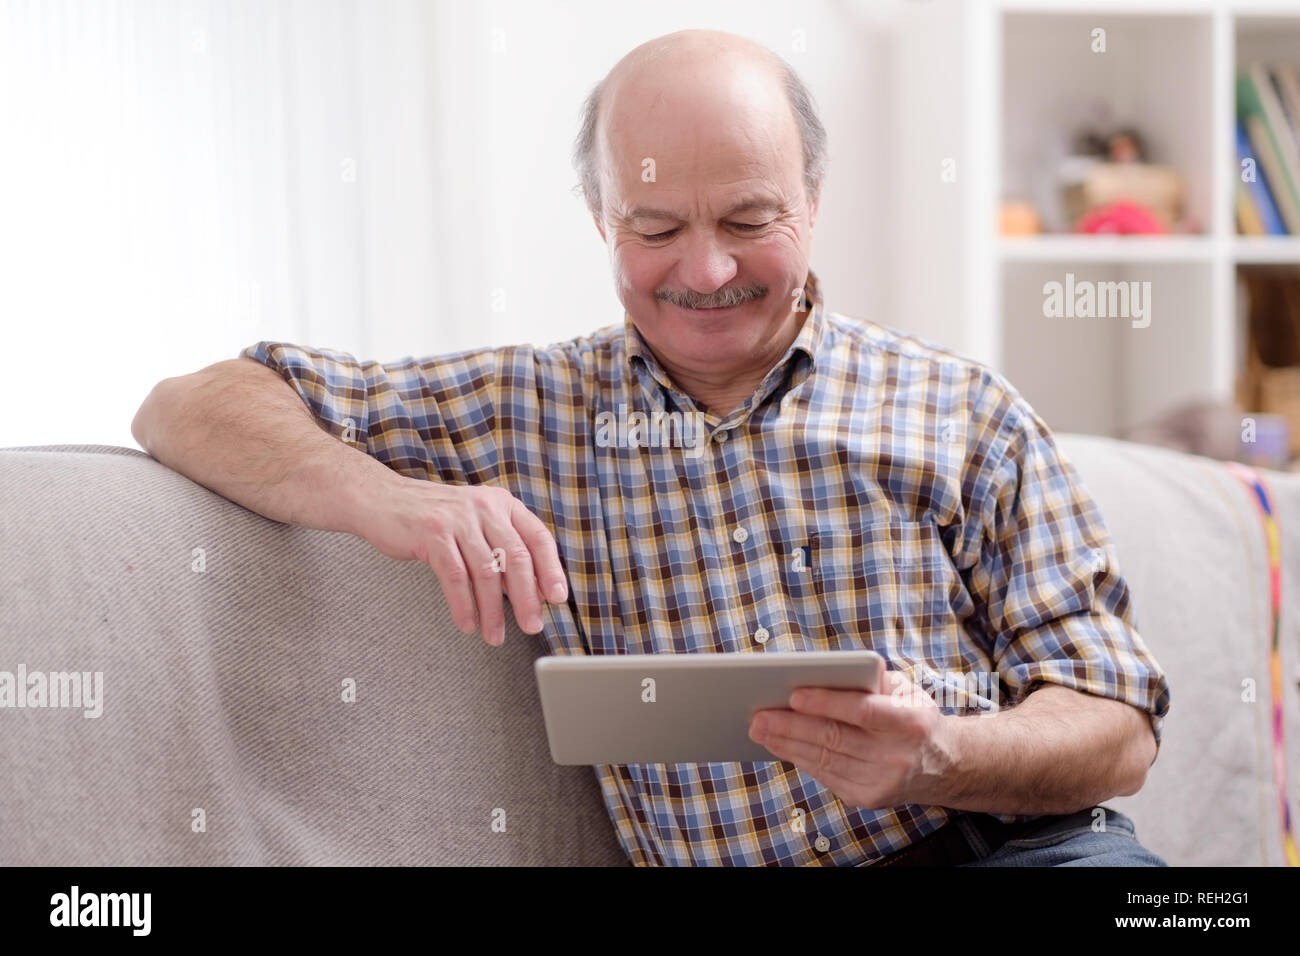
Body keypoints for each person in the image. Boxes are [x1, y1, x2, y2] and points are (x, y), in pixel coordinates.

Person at [132, 29, 1171, 867]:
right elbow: (187, 405)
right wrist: (388, 500)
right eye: (657, 226)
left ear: (812, 199)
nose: (707, 268)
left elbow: (1117, 726)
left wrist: (939, 752)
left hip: (1018, 849)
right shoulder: (524, 408)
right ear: (601, 217)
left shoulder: (962, 411)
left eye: (749, 217)